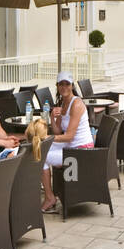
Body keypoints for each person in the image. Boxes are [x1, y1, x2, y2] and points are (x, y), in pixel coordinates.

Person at [41, 73, 93, 213]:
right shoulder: (64, 102)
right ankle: (49, 191)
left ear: (72, 86)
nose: (64, 87)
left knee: (39, 155)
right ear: (57, 86)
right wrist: (53, 117)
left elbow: (69, 136)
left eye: (67, 84)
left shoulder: (76, 103)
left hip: (80, 152)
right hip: (71, 147)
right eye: (61, 84)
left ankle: (49, 197)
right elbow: (58, 132)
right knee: (39, 148)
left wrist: (46, 138)